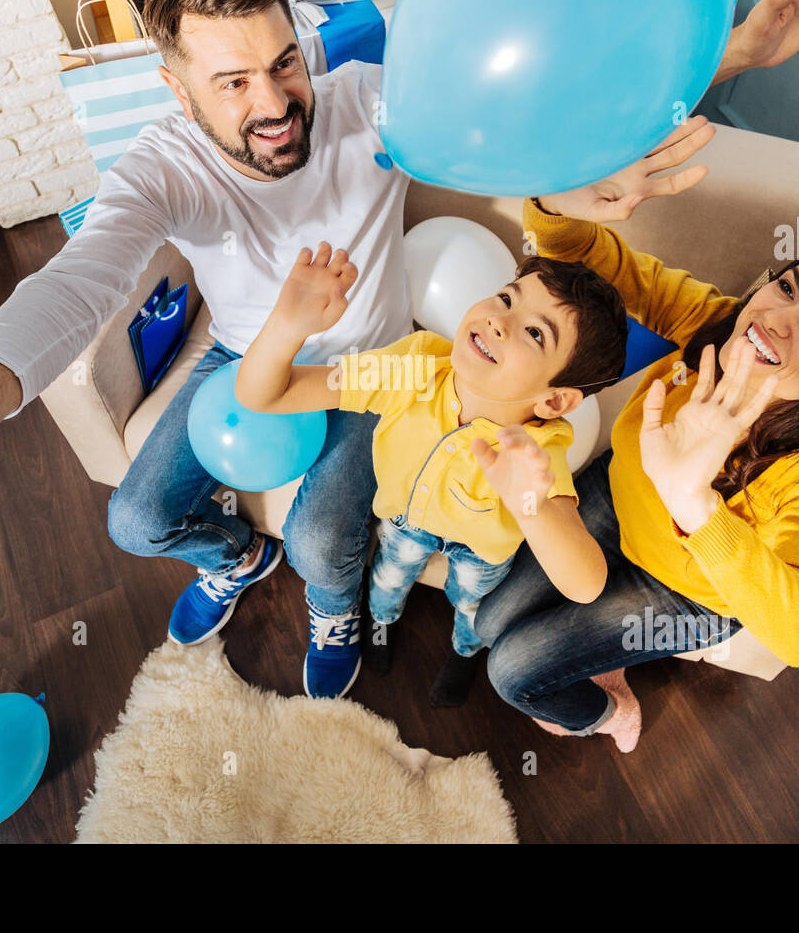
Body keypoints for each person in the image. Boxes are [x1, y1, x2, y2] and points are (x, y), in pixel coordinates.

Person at [0, 0, 799, 699]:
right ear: (177, 91)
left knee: (340, 548)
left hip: (381, 371)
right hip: (251, 362)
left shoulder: (370, 107)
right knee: (135, 520)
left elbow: (534, 131)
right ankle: (234, 555)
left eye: (282, 64)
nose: (272, 102)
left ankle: (338, 618)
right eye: (229, 84)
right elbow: (78, 284)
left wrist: (736, 52)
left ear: (304, 48)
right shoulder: (161, 173)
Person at [472, 115, 799, 752]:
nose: (773, 319)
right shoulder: (715, 323)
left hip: (680, 592)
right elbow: (583, 250)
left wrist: (694, 502)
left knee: (511, 672)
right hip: (612, 501)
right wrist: (563, 200)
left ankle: (605, 712)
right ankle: (596, 648)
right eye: (787, 286)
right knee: (488, 618)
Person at [235, 244, 627, 702]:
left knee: (470, 607)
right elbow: (265, 396)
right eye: (506, 298)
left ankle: (463, 652)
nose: (499, 320)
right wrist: (287, 327)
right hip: (404, 524)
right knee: (384, 584)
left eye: (536, 333)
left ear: (555, 401)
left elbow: (585, 585)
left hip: (482, 553)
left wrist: (534, 506)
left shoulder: (538, 449)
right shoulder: (412, 368)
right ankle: (381, 630)